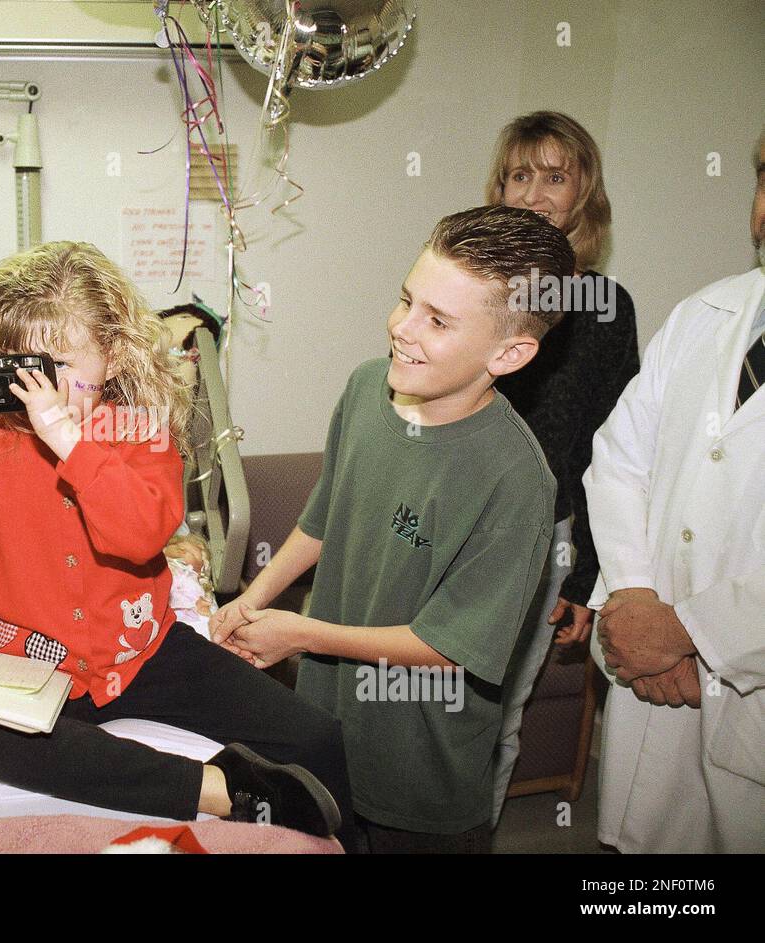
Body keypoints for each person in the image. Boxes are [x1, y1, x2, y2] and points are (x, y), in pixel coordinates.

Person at [0, 241, 352, 840]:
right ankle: (215, 788)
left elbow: (137, 536)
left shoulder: (139, 434)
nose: (44, 390)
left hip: (144, 652)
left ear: (110, 358)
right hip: (33, 663)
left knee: (317, 736)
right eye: (25, 368)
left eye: (61, 367)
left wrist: (66, 437)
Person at [212, 205, 575, 853]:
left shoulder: (515, 480)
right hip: (325, 731)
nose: (402, 329)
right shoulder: (365, 390)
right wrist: (253, 597)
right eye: (407, 299)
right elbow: (323, 518)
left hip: (419, 768)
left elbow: (452, 646)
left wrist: (298, 632)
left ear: (511, 352)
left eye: (438, 320)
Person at [582, 132, 765, 853]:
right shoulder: (705, 316)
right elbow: (619, 459)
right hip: (653, 684)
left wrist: (694, 633)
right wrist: (636, 602)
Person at [483, 111, 640, 823]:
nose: (536, 193)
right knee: (418, 709)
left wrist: (585, 579)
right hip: (447, 524)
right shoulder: (470, 289)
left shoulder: (605, 308)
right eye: (521, 175)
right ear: (501, 187)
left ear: (584, 193)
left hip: (542, 540)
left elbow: (611, 449)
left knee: (496, 722)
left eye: (555, 176)